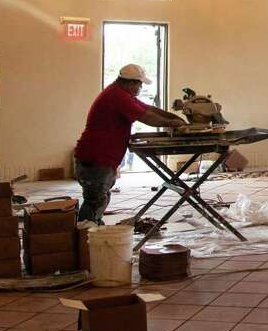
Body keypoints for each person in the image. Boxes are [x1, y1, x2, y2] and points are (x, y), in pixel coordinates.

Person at [73, 64, 185, 224]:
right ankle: (84, 237)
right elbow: (147, 118)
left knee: (100, 198)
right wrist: (174, 124)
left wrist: (175, 118)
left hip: (101, 157)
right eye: (139, 84)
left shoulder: (120, 93)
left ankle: (91, 231)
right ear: (131, 83)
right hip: (95, 158)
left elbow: (149, 109)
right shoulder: (118, 97)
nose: (140, 87)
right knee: (95, 201)